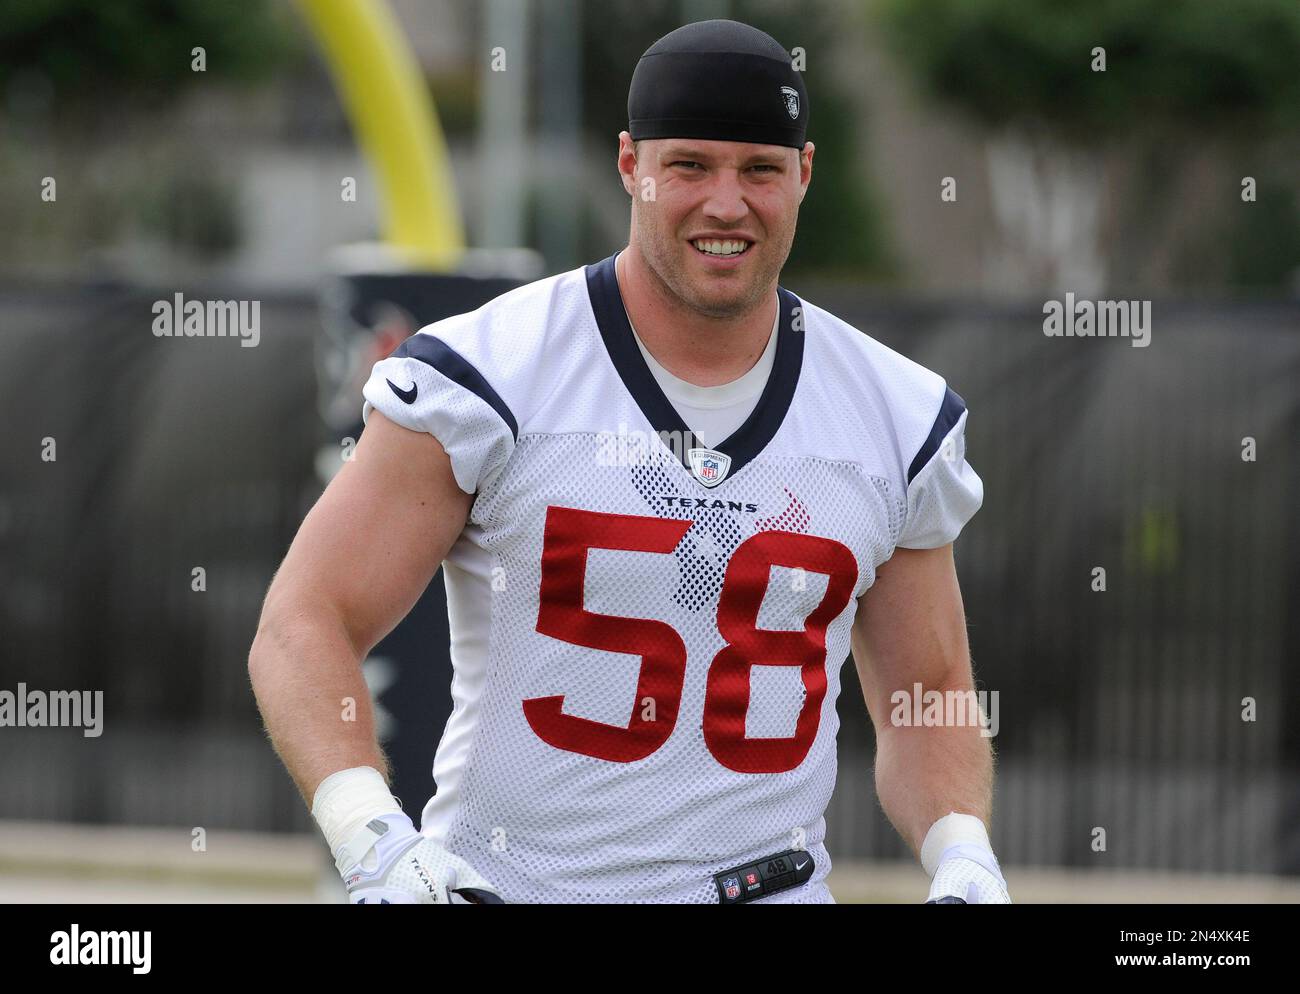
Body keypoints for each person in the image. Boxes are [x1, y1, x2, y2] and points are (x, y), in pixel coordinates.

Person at [249, 18, 1009, 904]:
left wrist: (963, 849)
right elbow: (304, 621)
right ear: (630, 165)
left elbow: (930, 687)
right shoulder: (494, 373)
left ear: (803, 175)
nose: (727, 204)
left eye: (760, 169)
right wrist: (370, 835)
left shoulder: (891, 413)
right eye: (689, 165)